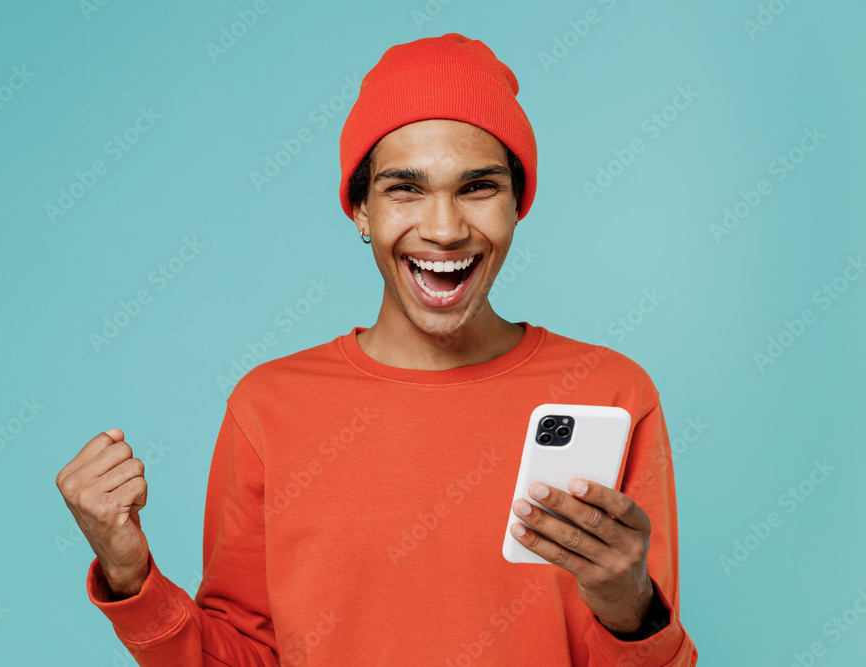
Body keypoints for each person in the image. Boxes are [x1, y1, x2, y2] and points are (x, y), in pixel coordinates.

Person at [56, 33, 699, 666]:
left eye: (478, 187)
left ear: (517, 204)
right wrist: (128, 575)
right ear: (359, 209)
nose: (444, 229)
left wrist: (630, 609)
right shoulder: (269, 408)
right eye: (405, 189)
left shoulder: (611, 393)